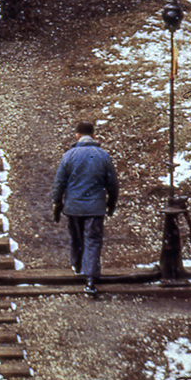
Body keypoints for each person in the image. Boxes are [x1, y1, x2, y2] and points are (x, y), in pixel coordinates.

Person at [52, 121, 118, 296]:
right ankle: (91, 279)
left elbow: (59, 182)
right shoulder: (103, 156)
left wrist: (57, 203)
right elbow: (112, 183)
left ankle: (77, 265)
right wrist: (112, 202)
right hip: (95, 207)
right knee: (93, 239)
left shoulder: (68, 156)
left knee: (76, 237)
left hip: (73, 206)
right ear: (94, 136)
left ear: (77, 136)